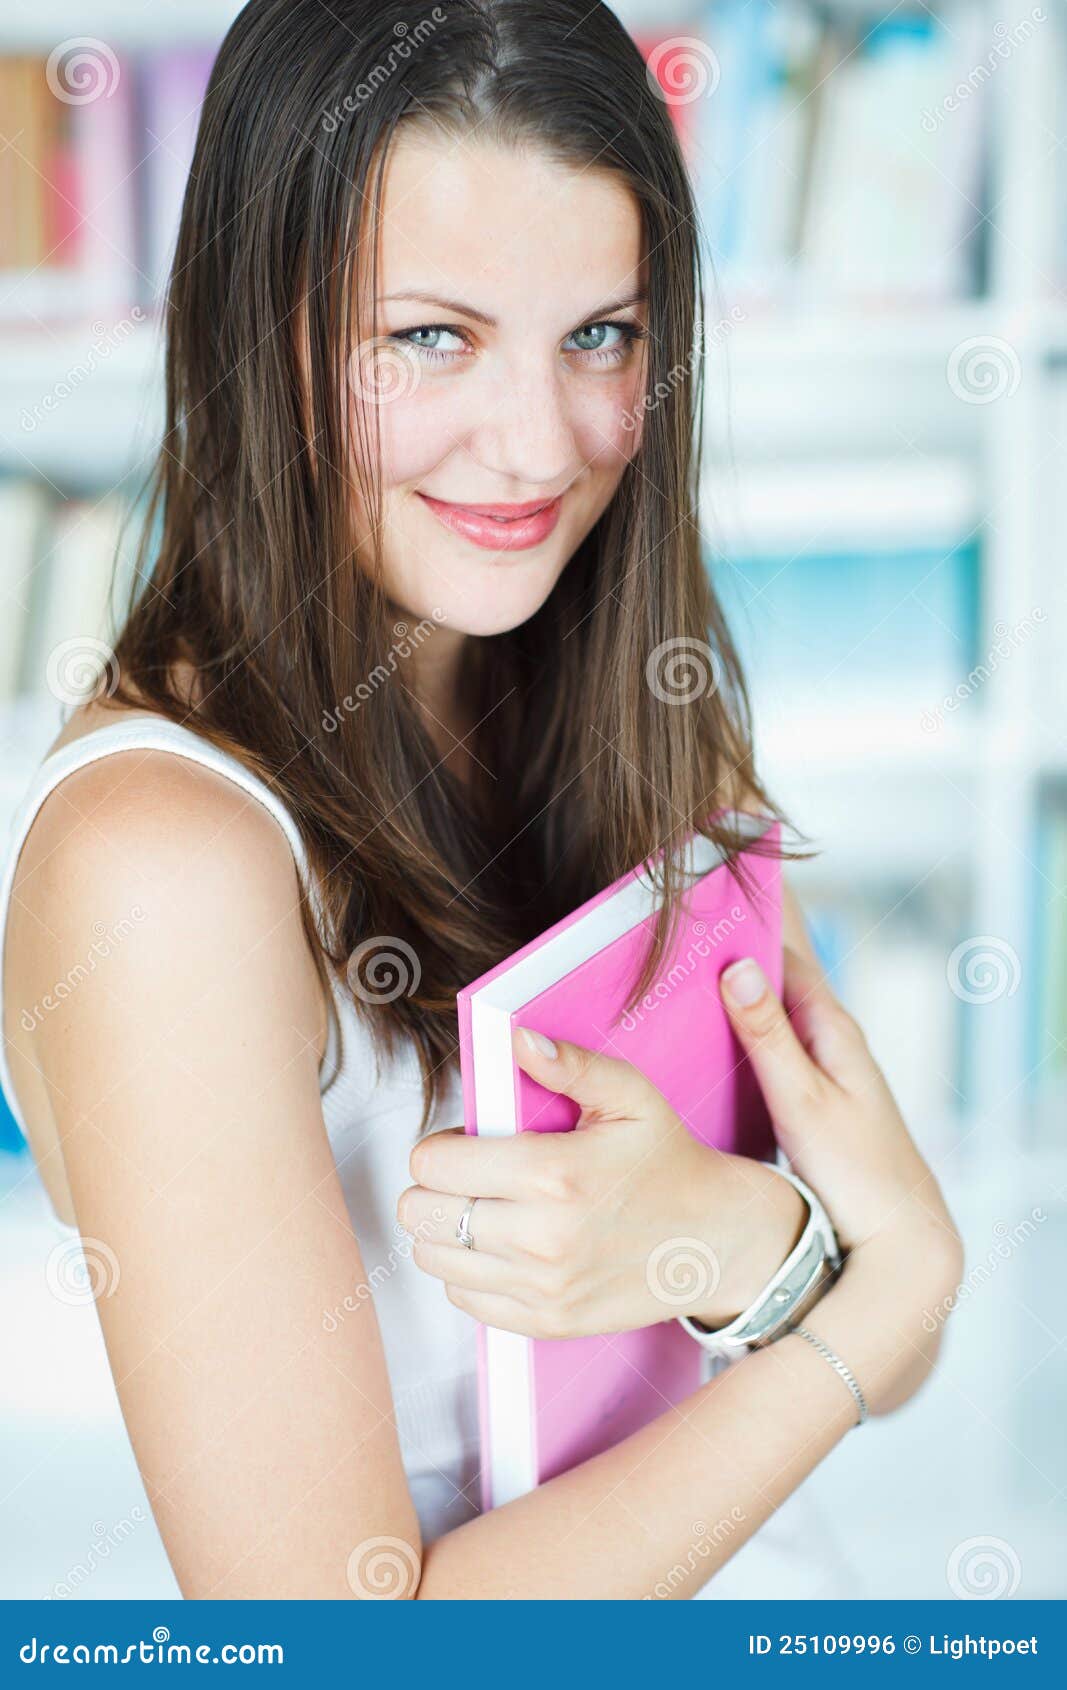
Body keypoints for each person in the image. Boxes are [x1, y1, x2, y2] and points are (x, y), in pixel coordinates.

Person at [0, 0, 961, 1598]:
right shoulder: (161, 867)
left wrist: (735, 1242)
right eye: (429, 335)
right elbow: (348, 1642)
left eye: (602, 334)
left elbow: (889, 1312)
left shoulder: (620, 690)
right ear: (256, 332)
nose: (539, 449)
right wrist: (860, 1314)